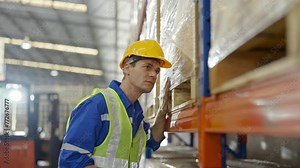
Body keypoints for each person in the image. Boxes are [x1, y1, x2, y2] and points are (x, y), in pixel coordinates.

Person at [58, 39, 172, 168]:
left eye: (157, 71)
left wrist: (162, 111)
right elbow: (71, 160)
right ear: (127, 67)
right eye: (148, 67)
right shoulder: (97, 105)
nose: (153, 74)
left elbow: (151, 142)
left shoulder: (135, 115)